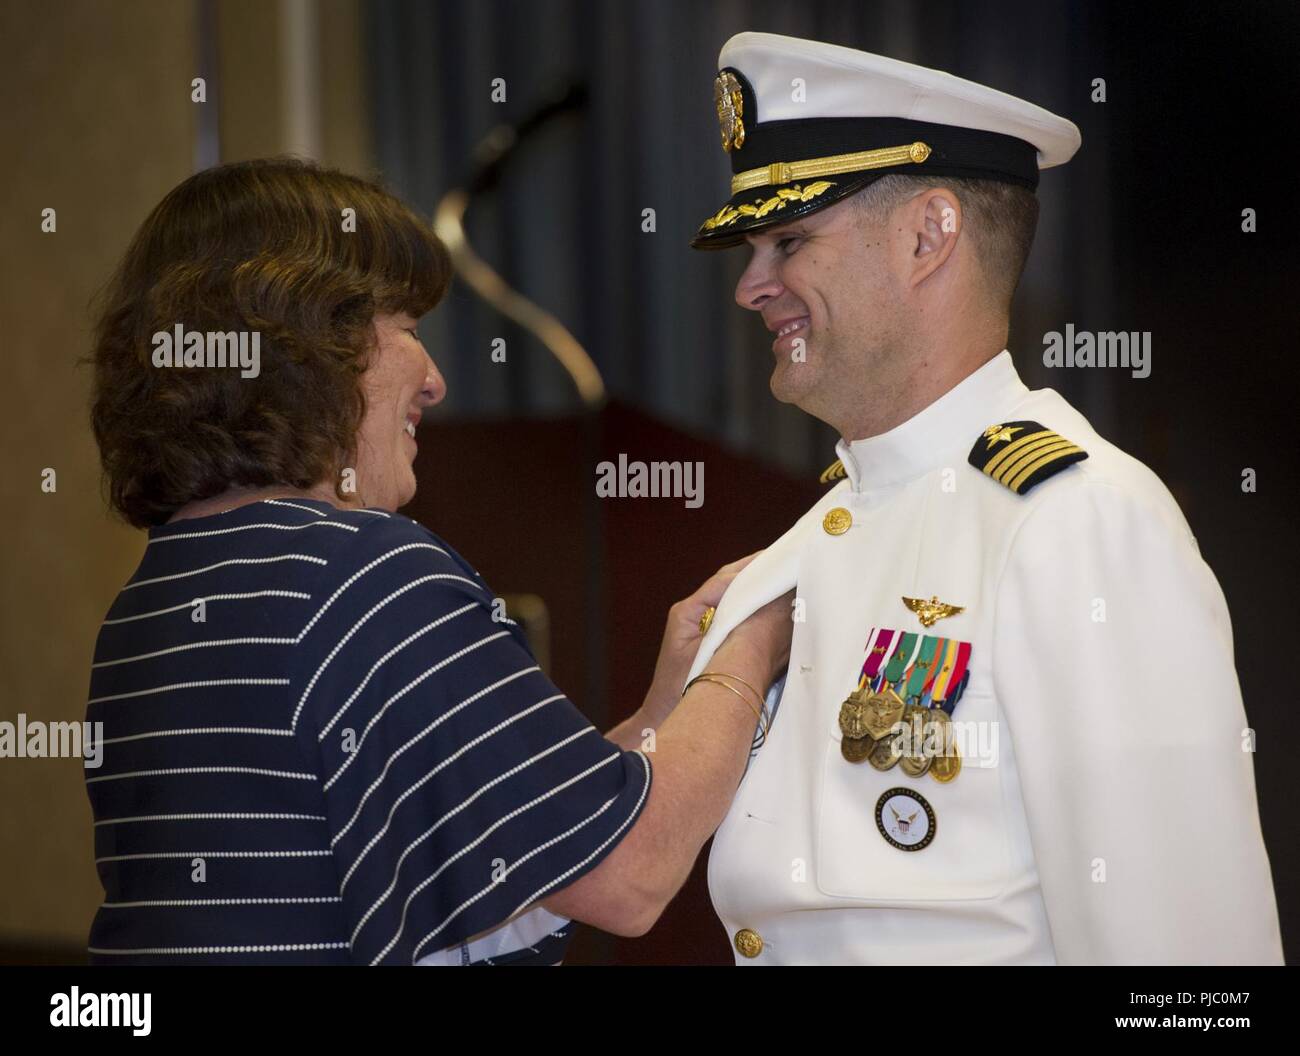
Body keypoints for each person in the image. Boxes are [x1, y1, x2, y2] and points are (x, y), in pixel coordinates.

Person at [84, 157, 791, 965]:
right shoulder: (364, 578)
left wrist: (667, 711)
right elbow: (629, 875)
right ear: (311, 342)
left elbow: (540, 834)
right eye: (409, 331)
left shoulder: (151, 598)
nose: (435, 381)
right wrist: (753, 642)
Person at [685, 32, 1283, 965]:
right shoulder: (817, 534)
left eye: (789, 240)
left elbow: (1187, 968)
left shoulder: (1076, 522)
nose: (752, 287)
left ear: (929, 235)